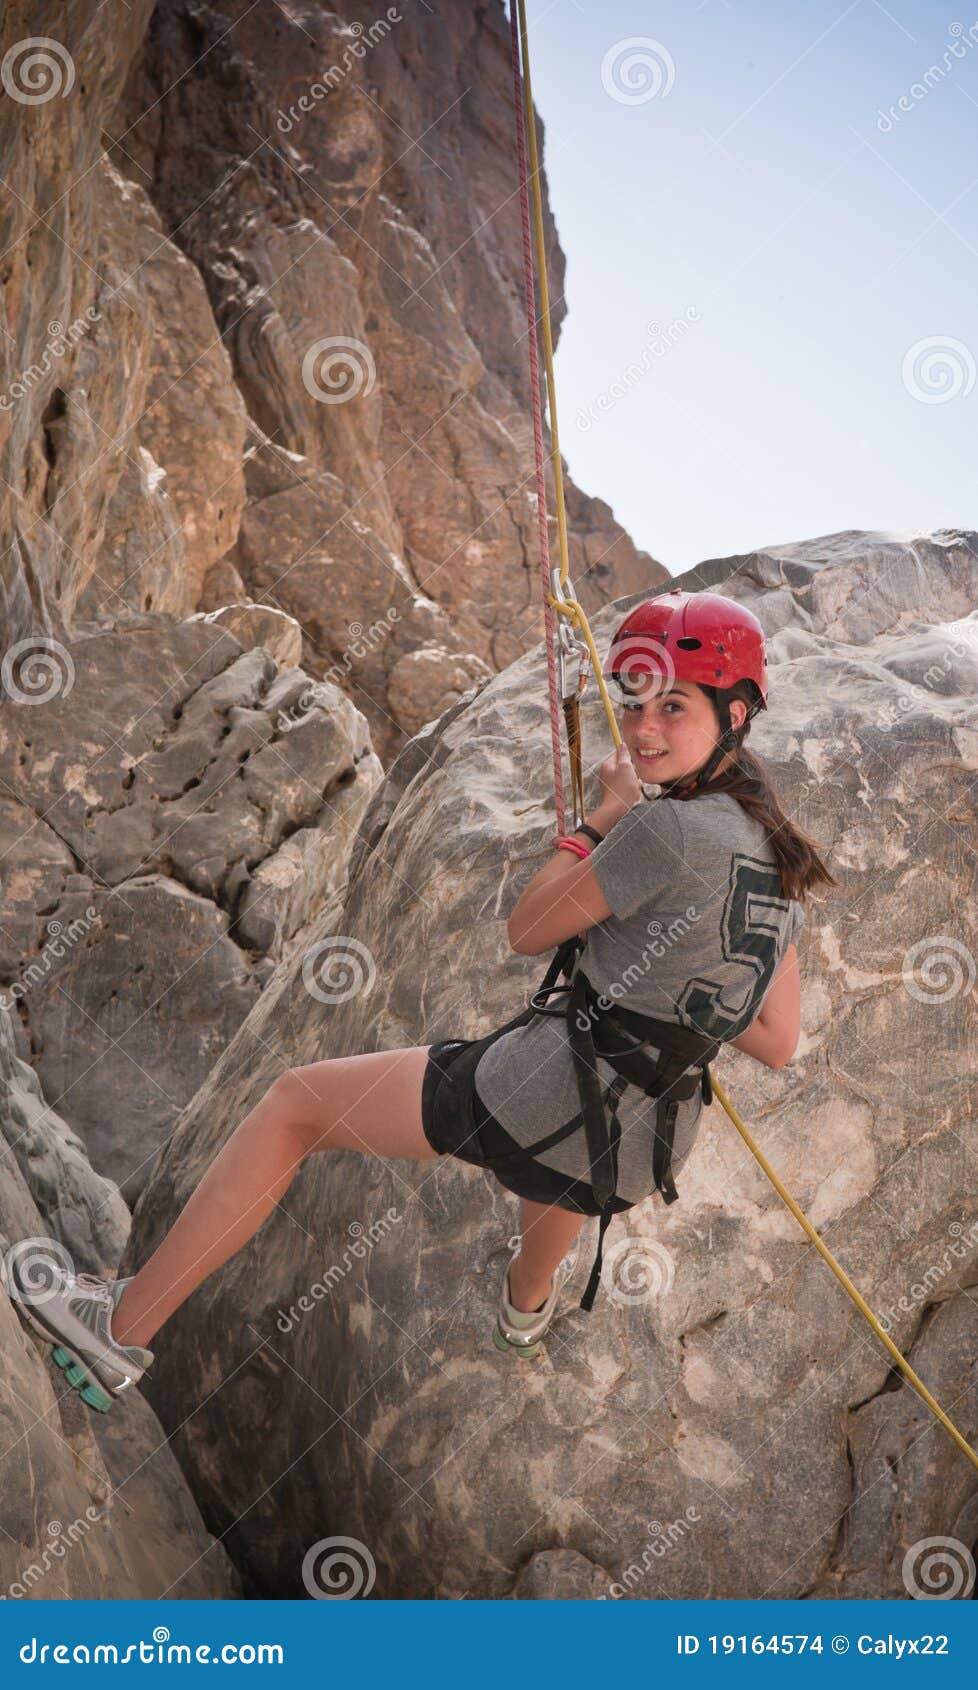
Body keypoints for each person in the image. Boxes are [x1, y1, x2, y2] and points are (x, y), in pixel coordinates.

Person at [4, 588, 836, 1407]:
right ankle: (525, 1306)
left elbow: (529, 927)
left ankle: (120, 1325)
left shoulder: (665, 827)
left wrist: (600, 818)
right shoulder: (779, 860)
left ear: (733, 715)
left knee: (295, 1106)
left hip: (543, 1095)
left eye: (675, 708)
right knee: (572, 1156)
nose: (646, 729)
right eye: (638, 703)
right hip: (647, 1146)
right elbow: (774, 1039)